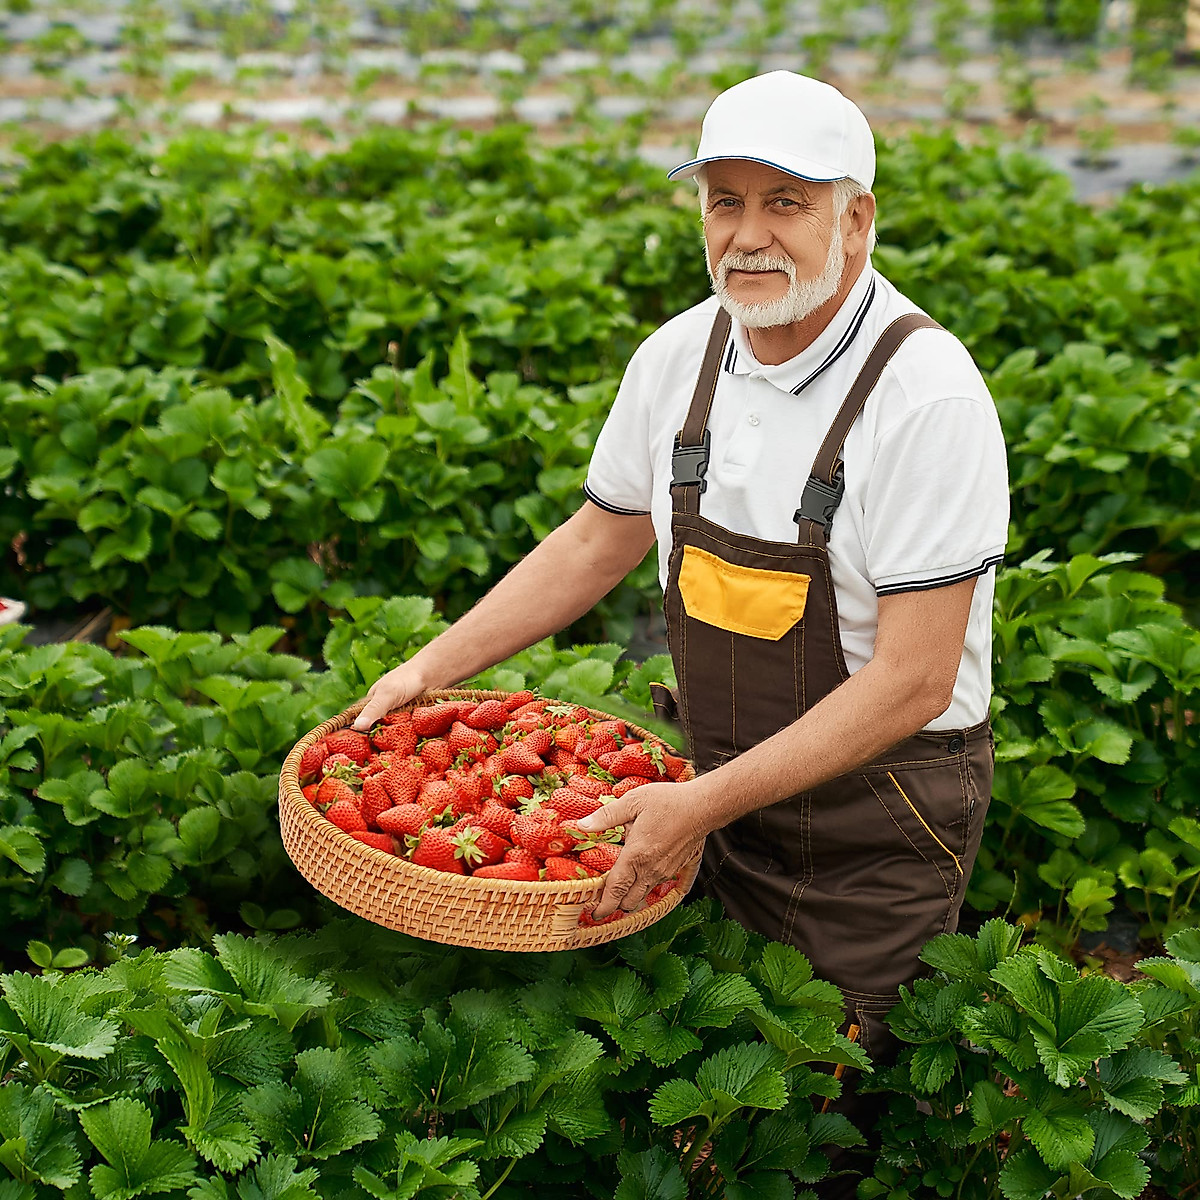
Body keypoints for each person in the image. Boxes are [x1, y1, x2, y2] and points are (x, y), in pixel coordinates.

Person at [354, 70, 1008, 1195]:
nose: (748, 236)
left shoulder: (925, 399)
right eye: (723, 201)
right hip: (704, 795)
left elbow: (913, 678)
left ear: (857, 218)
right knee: (698, 1089)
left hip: (874, 822)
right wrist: (427, 669)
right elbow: (593, 542)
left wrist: (697, 806)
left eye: (786, 203)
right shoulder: (681, 357)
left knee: (809, 1118)